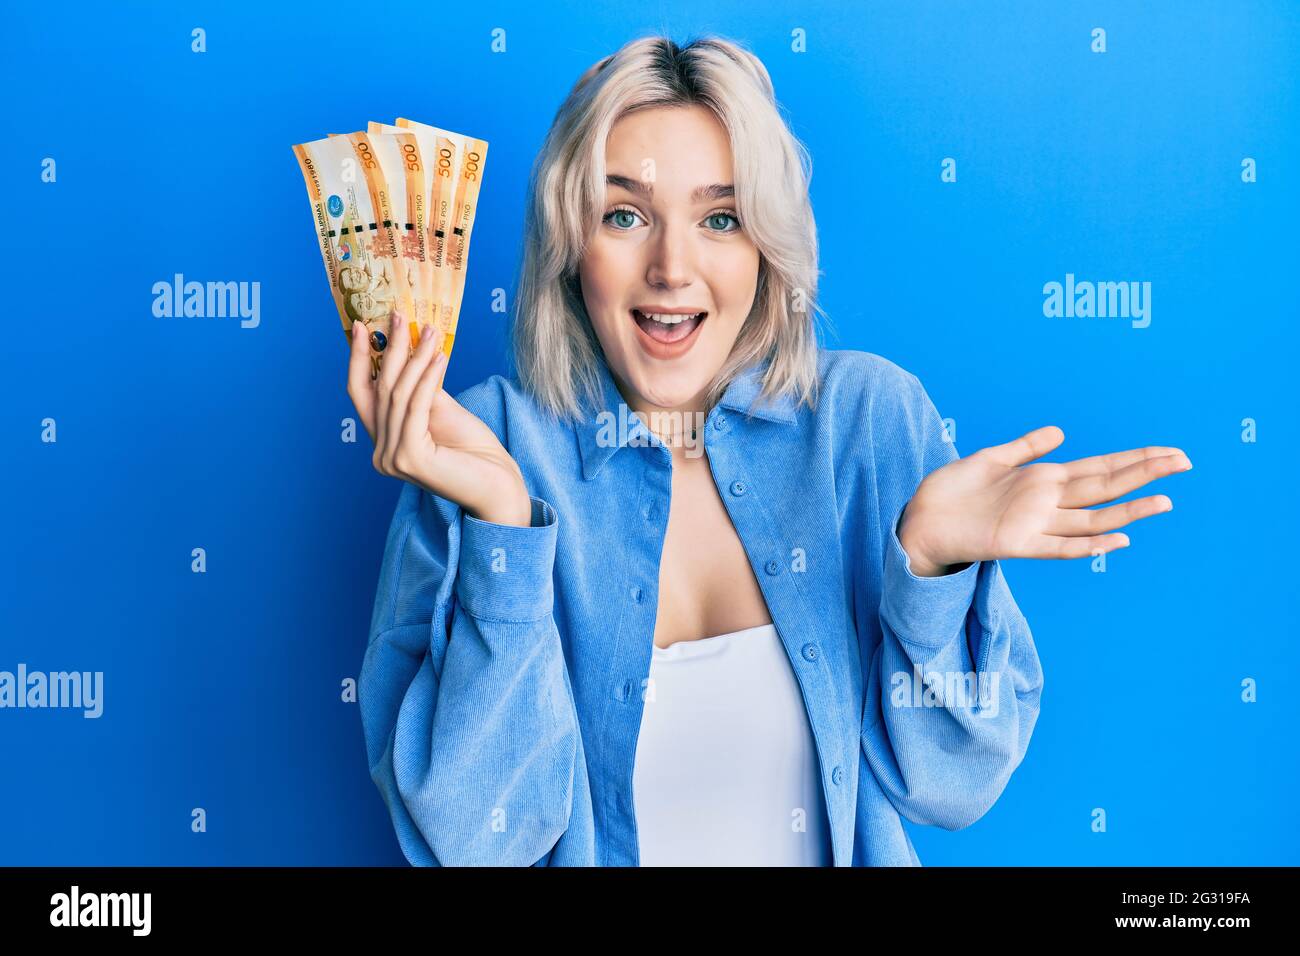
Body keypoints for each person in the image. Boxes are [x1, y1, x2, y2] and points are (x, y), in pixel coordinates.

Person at [350, 35, 1190, 867]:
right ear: (572, 249)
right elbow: (471, 843)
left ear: (767, 247)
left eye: (721, 217)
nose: (672, 268)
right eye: (625, 215)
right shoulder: (484, 449)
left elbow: (951, 787)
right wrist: (504, 531)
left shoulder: (865, 423)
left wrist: (929, 568)